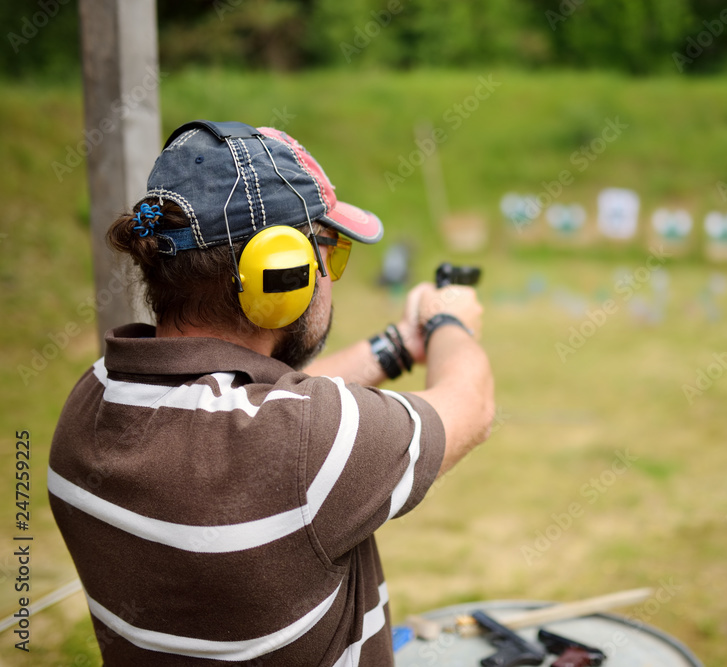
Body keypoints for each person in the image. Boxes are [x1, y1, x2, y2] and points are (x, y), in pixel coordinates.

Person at [47, 120, 494, 665]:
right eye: (329, 252)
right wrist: (451, 321)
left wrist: (397, 344)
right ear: (281, 274)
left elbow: (262, 407)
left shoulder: (89, 402)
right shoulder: (304, 444)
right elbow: (471, 407)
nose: (332, 273)